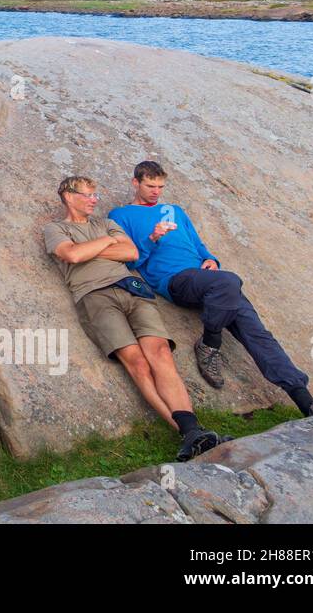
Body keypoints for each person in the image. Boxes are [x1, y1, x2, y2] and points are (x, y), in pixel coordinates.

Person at [109, 160, 313, 417]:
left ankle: (308, 403)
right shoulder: (121, 215)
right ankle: (210, 341)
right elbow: (130, 258)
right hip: (175, 280)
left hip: (209, 281)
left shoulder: (174, 210)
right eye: (150, 186)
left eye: (160, 186)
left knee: (259, 334)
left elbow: (198, 245)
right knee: (230, 281)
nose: (156, 192)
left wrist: (210, 260)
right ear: (135, 183)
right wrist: (152, 238)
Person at [44, 175, 227, 461]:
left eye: (95, 194)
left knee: (161, 352)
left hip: (133, 290)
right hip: (95, 296)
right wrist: (106, 244)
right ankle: (188, 432)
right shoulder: (55, 229)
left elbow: (130, 252)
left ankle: (194, 431)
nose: (95, 200)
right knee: (137, 363)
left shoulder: (106, 223)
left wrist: (96, 245)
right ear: (69, 196)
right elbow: (73, 255)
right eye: (88, 195)